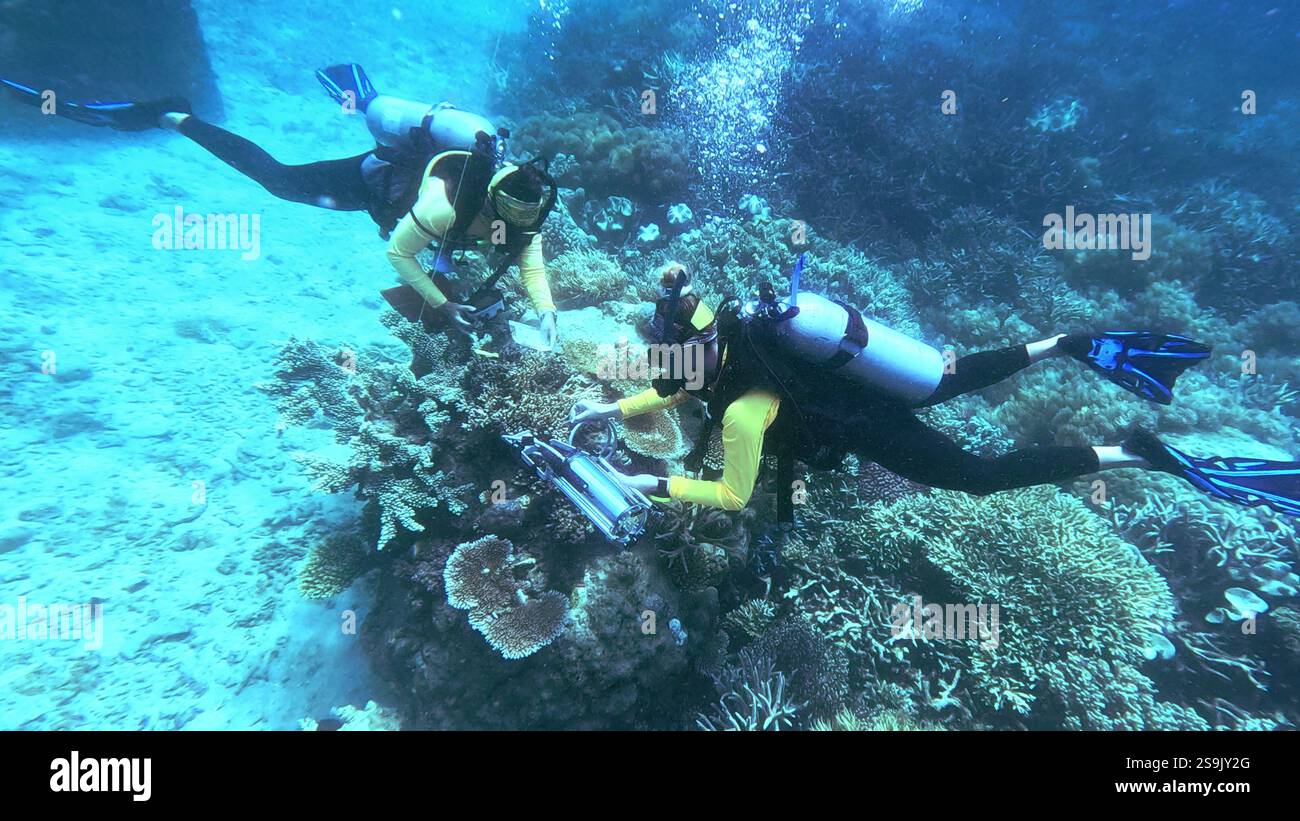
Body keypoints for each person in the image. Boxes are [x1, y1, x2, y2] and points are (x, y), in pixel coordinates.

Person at [572, 262, 1300, 520]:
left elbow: (731, 495)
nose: (668, 374)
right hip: (885, 377)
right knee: (956, 372)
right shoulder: (744, 332)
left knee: (977, 478)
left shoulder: (739, 410)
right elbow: (672, 390)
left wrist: (650, 481)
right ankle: (1065, 343)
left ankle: (1132, 451)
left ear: (697, 355)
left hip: (875, 424)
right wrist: (614, 406)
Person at [1, 64, 561, 346]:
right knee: (277, 182)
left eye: (525, 221)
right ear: (490, 197)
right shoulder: (445, 206)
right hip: (374, 185)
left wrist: (546, 310)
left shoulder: (522, 212)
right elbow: (398, 255)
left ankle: (361, 94)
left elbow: (529, 255)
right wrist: (442, 301)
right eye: (506, 218)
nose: (516, 228)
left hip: (413, 197)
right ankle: (171, 115)